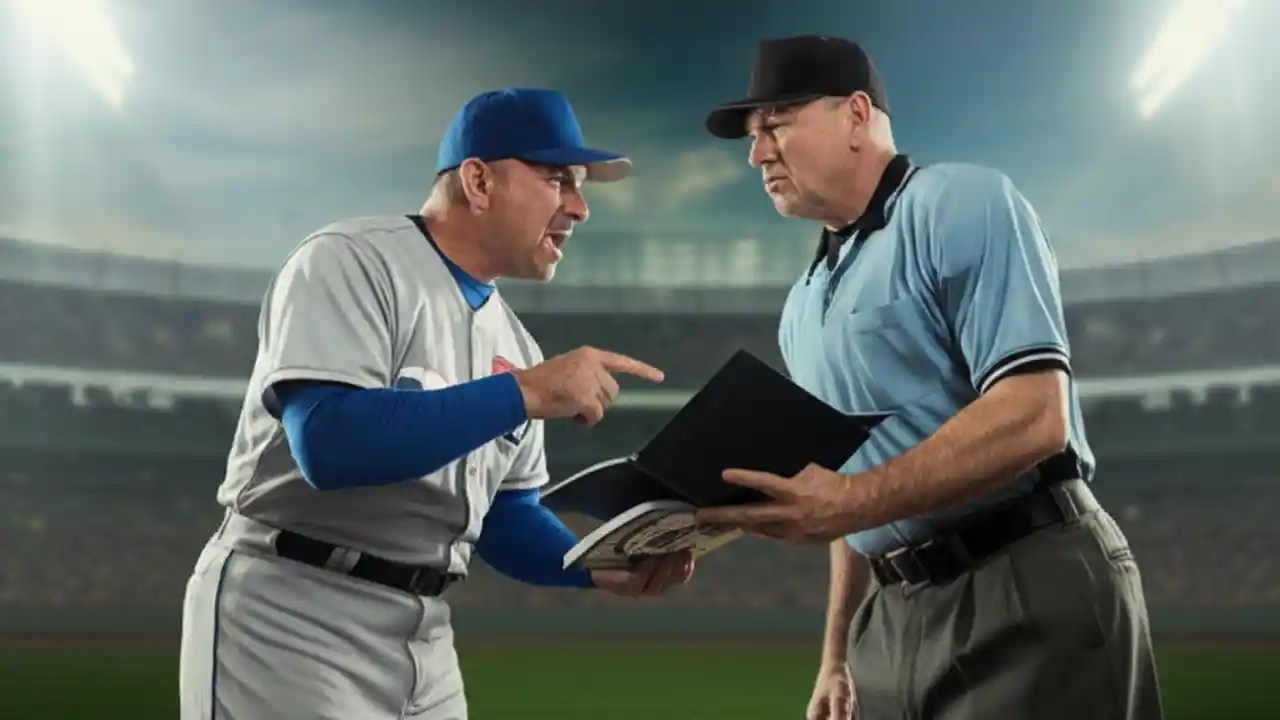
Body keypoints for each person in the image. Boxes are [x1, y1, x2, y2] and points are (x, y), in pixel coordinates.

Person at [178, 87, 695, 720]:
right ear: (479, 181)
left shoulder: (516, 342)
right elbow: (328, 445)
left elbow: (503, 516)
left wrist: (591, 565)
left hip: (425, 630)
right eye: (558, 179)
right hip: (289, 610)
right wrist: (526, 392)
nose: (581, 208)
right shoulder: (352, 260)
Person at [694, 36, 1163, 720]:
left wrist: (851, 501)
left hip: (1024, 572)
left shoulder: (961, 202)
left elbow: (1036, 413)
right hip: (890, 616)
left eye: (776, 124)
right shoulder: (800, 306)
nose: (756, 152)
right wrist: (835, 657)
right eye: (752, 135)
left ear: (857, 115)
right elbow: (847, 496)